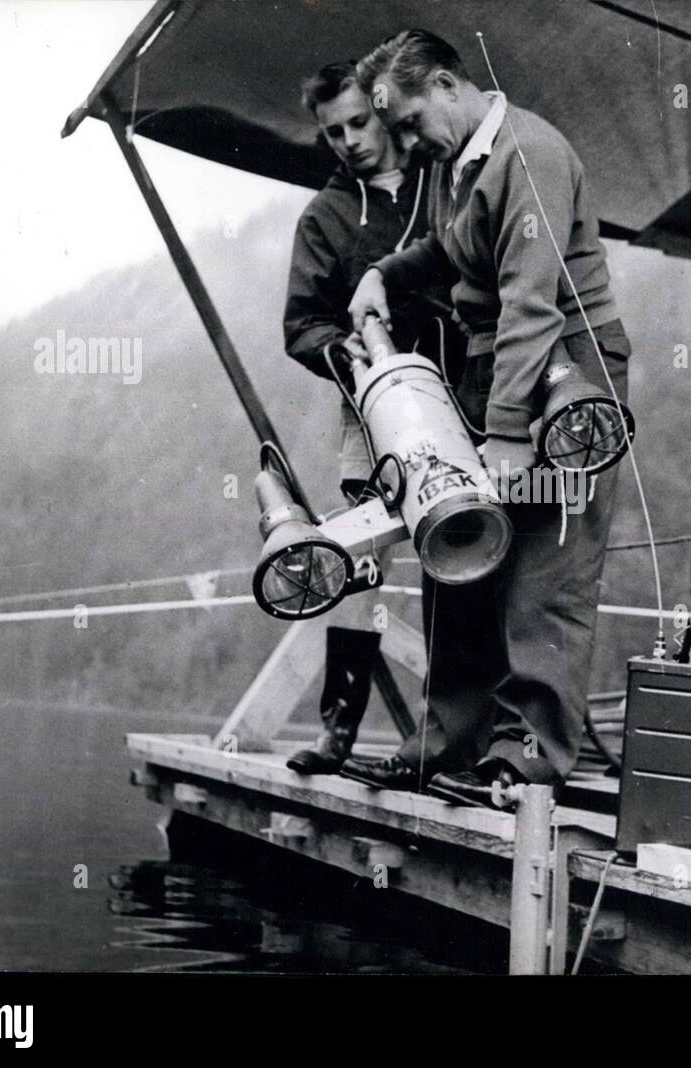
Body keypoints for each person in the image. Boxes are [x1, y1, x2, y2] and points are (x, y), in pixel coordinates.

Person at [338, 29, 631, 808]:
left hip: (565, 373)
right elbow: (449, 247)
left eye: (406, 124)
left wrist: (505, 433)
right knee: (460, 550)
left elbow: (532, 305)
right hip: (492, 368)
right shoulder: (455, 164)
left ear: (446, 85)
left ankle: (524, 756)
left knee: (545, 569)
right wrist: (382, 272)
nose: (403, 143)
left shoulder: (527, 153)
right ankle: (446, 744)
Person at [282, 60, 457, 775]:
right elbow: (299, 325)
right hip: (371, 406)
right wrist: (348, 358)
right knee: (358, 560)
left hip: (457, 396)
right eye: (334, 132)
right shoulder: (323, 216)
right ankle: (338, 731)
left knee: (459, 553)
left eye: (359, 122)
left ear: (382, 112)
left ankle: (452, 736)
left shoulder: (442, 180)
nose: (350, 140)